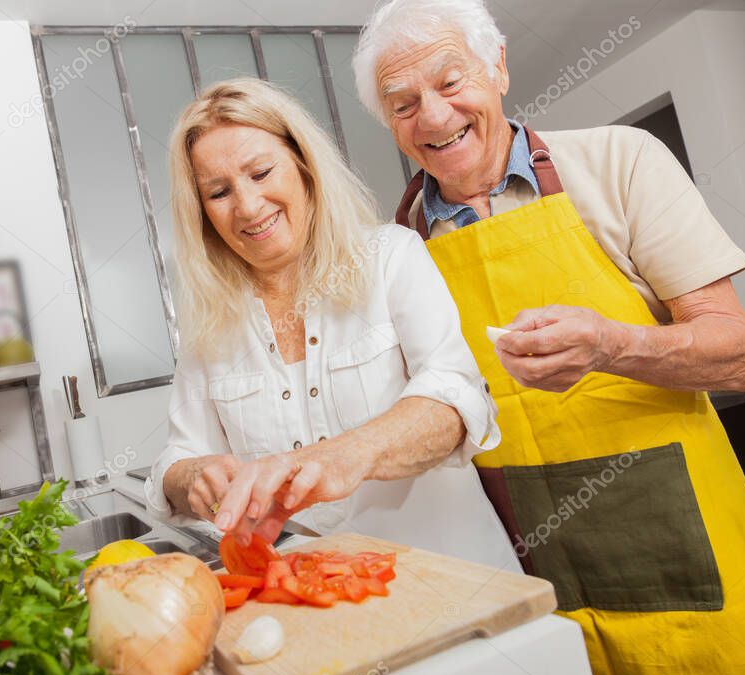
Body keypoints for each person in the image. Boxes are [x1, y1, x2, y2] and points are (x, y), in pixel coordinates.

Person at [350, 0, 745, 675]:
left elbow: (741, 353)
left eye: (450, 81)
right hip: (532, 579)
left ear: (497, 67)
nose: (432, 116)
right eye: (402, 104)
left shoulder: (619, 161)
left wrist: (614, 346)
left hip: (688, 554)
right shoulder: (399, 253)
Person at [143, 77, 519, 570]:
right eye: (218, 192)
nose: (249, 207)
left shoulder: (390, 256)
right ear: (202, 213)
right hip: (316, 600)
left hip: (456, 577)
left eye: (261, 172)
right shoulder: (213, 324)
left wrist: (344, 456)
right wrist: (190, 476)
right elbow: (176, 458)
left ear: (303, 165)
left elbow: (456, 400)